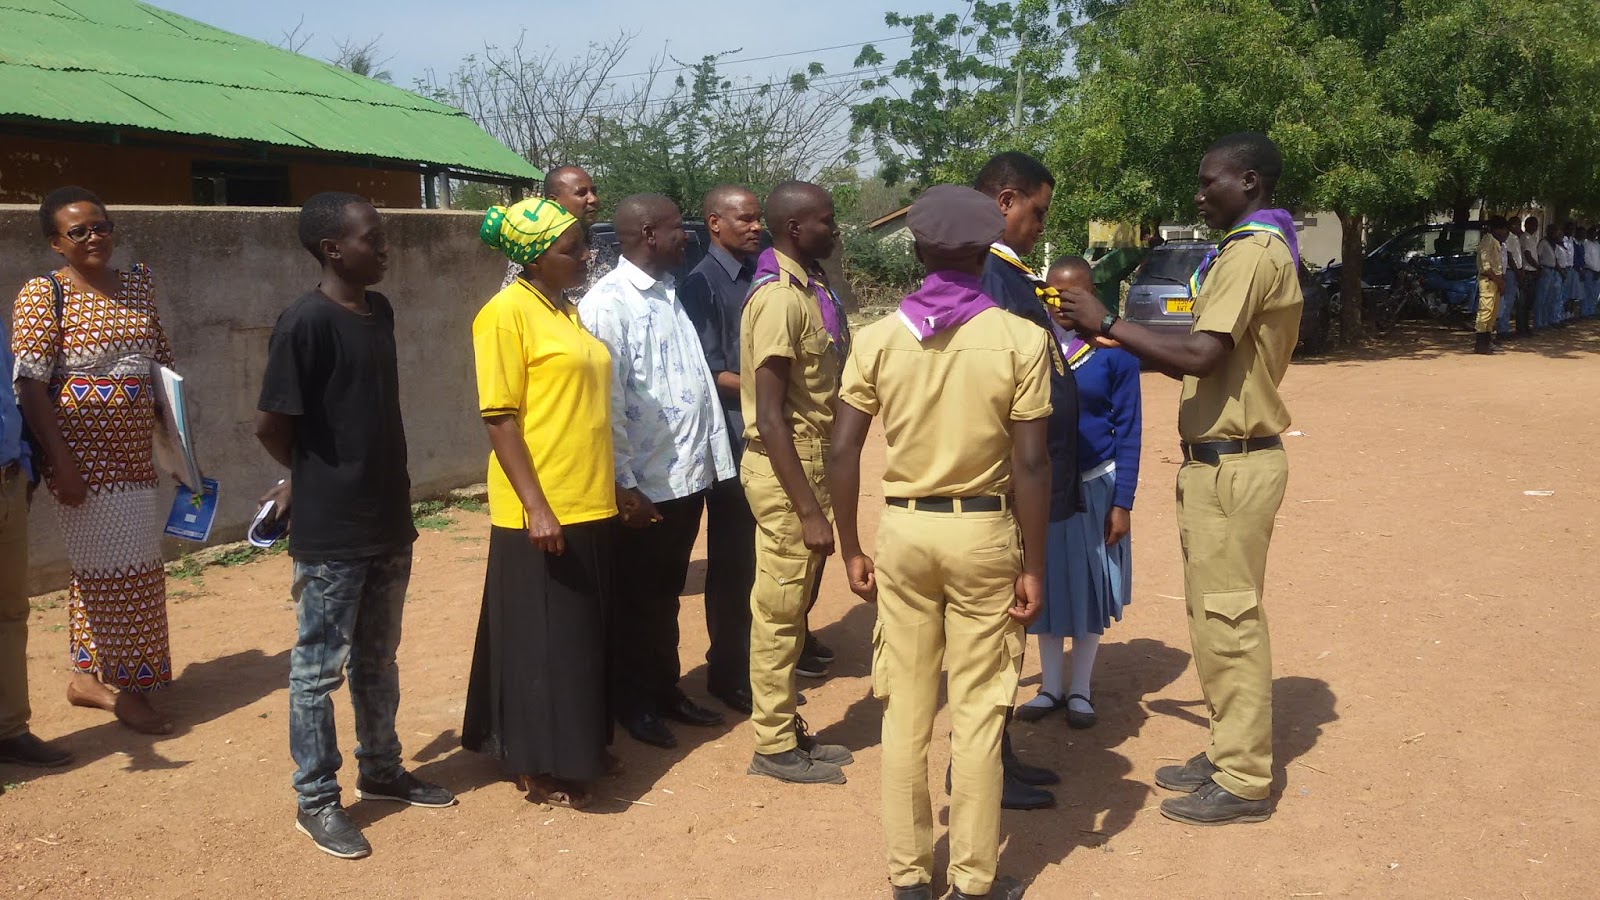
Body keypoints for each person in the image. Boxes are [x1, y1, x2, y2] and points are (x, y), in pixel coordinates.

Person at [1058, 131, 1302, 826]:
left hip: (1236, 462)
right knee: (1210, 617)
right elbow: (1193, 358)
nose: (1199, 194)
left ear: (1249, 182)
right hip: (1217, 463)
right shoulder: (1247, 250)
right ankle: (1228, 746)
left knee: (1230, 619)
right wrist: (1115, 339)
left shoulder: (1254, 253)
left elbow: (1200, 353)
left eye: (1210, 182)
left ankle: (1246, 777)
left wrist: (1108, 320)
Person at [830, 184, 1052, 900]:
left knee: (906, 710)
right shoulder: (1021, 338)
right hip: (983, 530)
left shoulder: (876, 339)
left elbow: (842, 450)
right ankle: (974, 880)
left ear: (919, 250)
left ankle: (907, 879)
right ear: (988, 249)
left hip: (904, 530)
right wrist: (1035, 564)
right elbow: (1031, 463)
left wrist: (850, 546)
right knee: (982, 712)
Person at [256, 192, 456, 860]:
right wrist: (311, 478)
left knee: (380, 657)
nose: (386, 248)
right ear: (332, 248)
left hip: (388, 518)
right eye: (374, 238)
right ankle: (316, 801)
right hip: (332, 529)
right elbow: (272, 424)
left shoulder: (381, 312)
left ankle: (382, 769)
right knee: (318, 670)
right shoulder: (303, 323)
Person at [462, 197, 620, 809]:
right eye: (571, 249)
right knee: (543, 642)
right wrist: (536, 505)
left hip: (590, 496)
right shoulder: (505, 315)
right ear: (535, 258)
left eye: (583, 245)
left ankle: (576, 747)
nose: (585, 256)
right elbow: (499, 417)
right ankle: (537, 762)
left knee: (580, 638)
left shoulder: (566, 312)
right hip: (543, 503)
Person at [12, 186, 177, 736]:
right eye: (78, 231)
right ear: (56, 243)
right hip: (84, 457)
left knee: (111, 565)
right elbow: (30, 385)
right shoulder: (43, 294)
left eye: (101, 226)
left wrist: (176, 444)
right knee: (122, 567)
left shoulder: (138, 283)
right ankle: (129, 689)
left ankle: (88, 678)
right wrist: (62, 461)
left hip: (136, 452)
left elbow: (160, 363)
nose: (93, 237)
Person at [577, 193, 733, 750]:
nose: (685, 236)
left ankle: (664, 689)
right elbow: (606, 404)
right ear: (646, 233)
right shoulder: (607, 305)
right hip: (644, 486)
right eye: (674, 228)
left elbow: (691, 382)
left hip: (685, 478)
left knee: (665, 593)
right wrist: (624, 485)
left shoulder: (669, 293)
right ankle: (632, 701)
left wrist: (713, 460)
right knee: (636, 598)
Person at [739, 180, 854, 785]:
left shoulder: (809, 290)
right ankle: (774, 744)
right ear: (795, 228)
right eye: (826, 222)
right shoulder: (783, 301)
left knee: (794, 605)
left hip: (808, 465)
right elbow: (773, 413)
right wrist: (808, 509)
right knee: (781, 611)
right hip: (789, 471)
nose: (834, 230)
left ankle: (783, 726)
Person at [972, 150, 1075, 810]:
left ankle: (1000, 756)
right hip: (1007, 492)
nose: (1041, 224)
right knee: (993, 637)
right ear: (1006, 201)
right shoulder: (989, 279)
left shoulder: (1014, 278)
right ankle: (983, 770)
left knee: (1006, 639)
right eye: (1036, 211)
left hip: (1028, 488)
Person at [1016, 256, 1142, 729]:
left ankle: (1081, 690)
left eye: (1074, 295)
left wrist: (1122, 501)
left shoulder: (1115, 351)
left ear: (1092, 295)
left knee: (1088, 588)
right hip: (1043, 488)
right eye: (1054, 294)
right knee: (1045, 585)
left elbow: (1128, 429)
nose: (1062, 304)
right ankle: (1050, 687)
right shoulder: (1032, 346)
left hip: (1095, 485)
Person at [679, 184, 763, 715]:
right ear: (714, 224)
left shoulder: (760, 275)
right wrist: (769, 388)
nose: (756, 227)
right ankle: (726, 669)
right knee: (733, 564)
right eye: (745, 220)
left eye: (758, 220)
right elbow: (708, 370)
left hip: (763, 432)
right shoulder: (701, 284)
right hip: (730, 442)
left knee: (762, 558)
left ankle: (762, 658)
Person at [2, 319, 74, 778]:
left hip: (8, 482)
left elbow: (10, 398)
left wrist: (24, 467)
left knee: (10, 614)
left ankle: (9, 731)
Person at [500, 165, 602, 290]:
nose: (593, 199)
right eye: (581, 193)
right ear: (553, 201)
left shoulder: (600, 244)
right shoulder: (536, 245)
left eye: (594, 192)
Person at [1474, 217, 1507, 355]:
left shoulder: (1496, 242)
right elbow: (1486, 266)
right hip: (1488, 280)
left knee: (1492, 313)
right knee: (1485, 311)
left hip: (1495, 280)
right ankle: (1480, 344)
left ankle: (1487, 342)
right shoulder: (1488, 241)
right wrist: (1498, 280)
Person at [1496, 218, 1521, 339]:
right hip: (1509, 272)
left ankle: (1504, 328)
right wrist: (1517, 271)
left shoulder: (1514, 237)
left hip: (1514, 271)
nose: (1517, 227)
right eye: (1515, 224)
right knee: (1505, 302)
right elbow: (1510, 257)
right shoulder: (1507, 238)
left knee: (1510, 302)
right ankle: (1502, 330)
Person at [1535, 222, 1562, 331]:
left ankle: (1545, 322)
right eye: (1554, 231)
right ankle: (1538, 323)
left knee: (1549, 298)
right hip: (1544, 270)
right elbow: (1537, 256)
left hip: (1552, 271)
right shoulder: (1543, 243)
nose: (1556, 234)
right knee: (1541, 298)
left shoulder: (1553, 244)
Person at [1517, 216, 1541, 335]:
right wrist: (1538, 266)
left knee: (1529, 302)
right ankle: (1522, 328)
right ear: (1527, 225)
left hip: (1532, 272)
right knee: (1524, 302)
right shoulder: (1525, 237)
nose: (1535, 227)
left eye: (1536, 225)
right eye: (1533, 225)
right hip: (1527, 272)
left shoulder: (1532, 238)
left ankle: (1525, 326)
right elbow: (1527, 255)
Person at [1584, 225, 1600, 317]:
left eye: (1595, 233)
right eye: (1592, 233)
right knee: (1587, 292)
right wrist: (1594, 269)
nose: (1594, 235)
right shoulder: (1586, 243)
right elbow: (1586, 258)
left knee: (1595, 293)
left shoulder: (1597, 245)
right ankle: (1585, 312)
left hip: (1597, 272)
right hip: (1589, 271)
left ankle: (1592, 311)